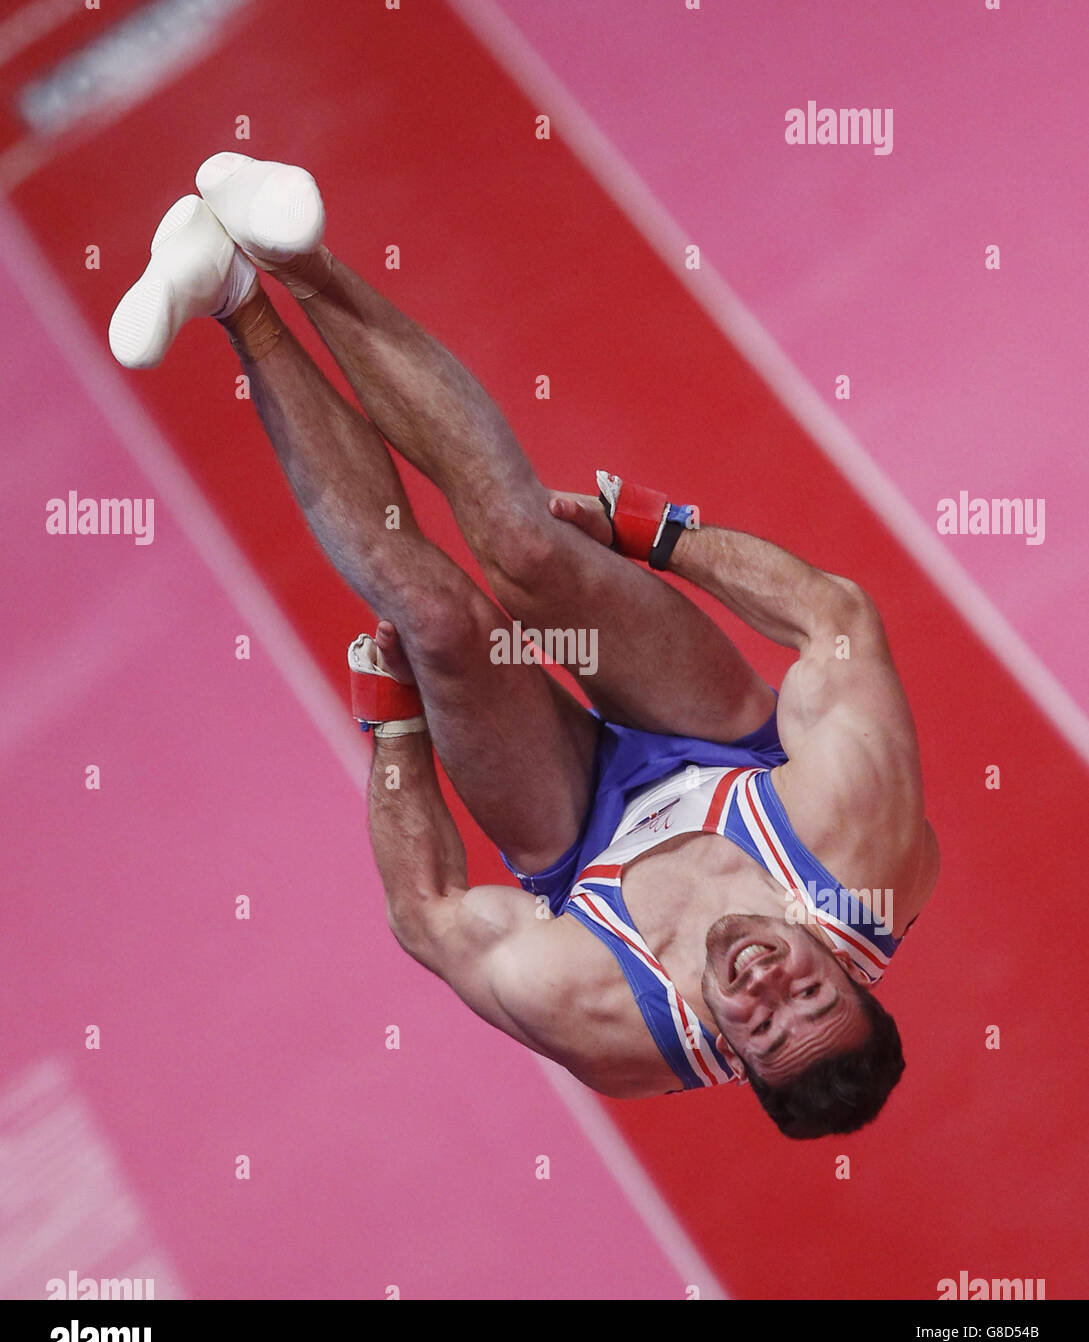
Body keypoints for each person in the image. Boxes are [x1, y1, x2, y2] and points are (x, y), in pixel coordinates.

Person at [109, 155, 939, 1137]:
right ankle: (296, 258)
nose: (768, 984)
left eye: (761, 1026)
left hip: (570, 835)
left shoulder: (608, 1022)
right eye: (811, 993)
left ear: (732, 1060)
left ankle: (236, 298)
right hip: (723, 745)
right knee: (525, 546)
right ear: (850, 967)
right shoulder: (860, 846)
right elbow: (835, 618)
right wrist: (658, 535)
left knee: (440, 622)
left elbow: (430, 915)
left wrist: (397, 738)